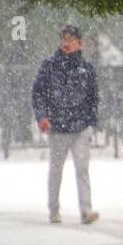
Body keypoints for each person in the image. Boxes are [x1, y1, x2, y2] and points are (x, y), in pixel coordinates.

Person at [32, 24, 99, 224]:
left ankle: (86, 211)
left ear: (79, 43)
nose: (66, 43)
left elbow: (93, 98)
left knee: (82, 169)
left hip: (80, 127)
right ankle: (54, 209)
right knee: (56, 170)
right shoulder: (49, 66)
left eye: (70, 39)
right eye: (64, 39)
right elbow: (38, 93)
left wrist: (91, 123)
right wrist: (42, 116)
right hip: (57, 127)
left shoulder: (86, 69)